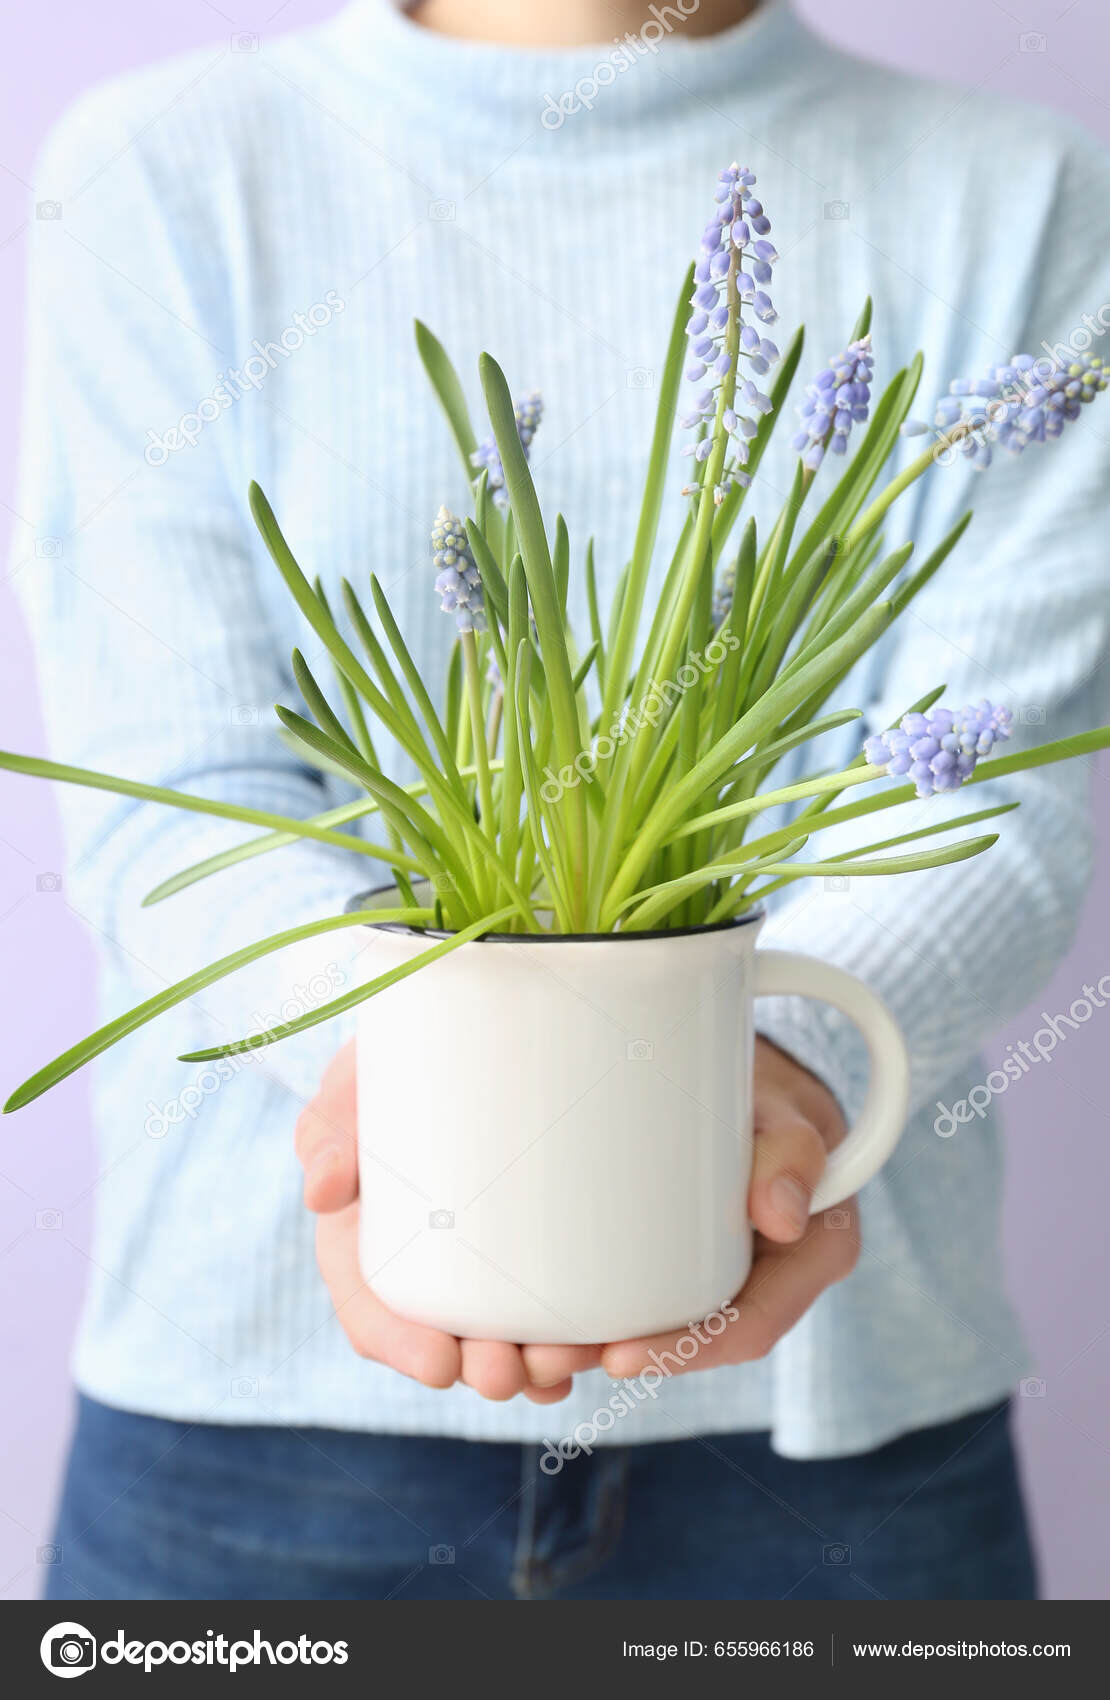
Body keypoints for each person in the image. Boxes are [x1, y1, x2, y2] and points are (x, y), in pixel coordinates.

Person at [16, 0, 1110, 1600]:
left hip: (839, 1433)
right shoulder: (163, 176)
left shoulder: (1024, 192)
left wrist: (759, 1081)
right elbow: (174, 801)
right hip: (255, 1431)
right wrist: (424, 1095)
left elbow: (989, 790)